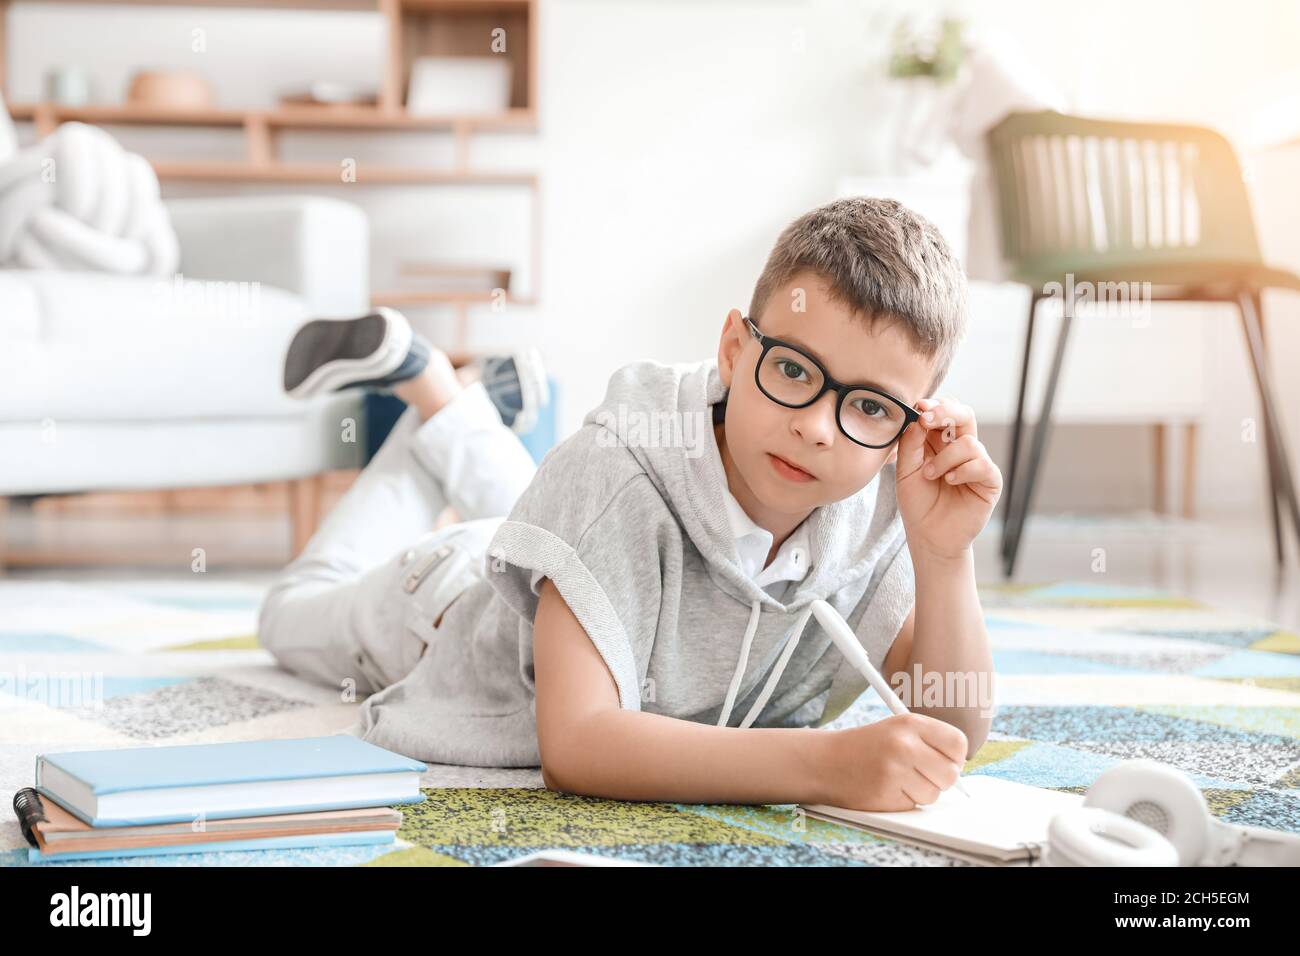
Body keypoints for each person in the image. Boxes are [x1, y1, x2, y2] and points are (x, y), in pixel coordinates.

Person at [258, 197, 1002, 812]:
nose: (815, 426)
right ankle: (430, 395)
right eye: (793, 369)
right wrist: (821, 766)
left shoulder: (876, 504)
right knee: (290, 608)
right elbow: (578, 746)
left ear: (910, 426)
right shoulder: (613, 475)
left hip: (581, 551)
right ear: (735, 352)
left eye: (871, 408)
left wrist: (944, 557)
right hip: (442, 601)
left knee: (579, 510)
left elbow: (952, 729)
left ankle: (447, 403)